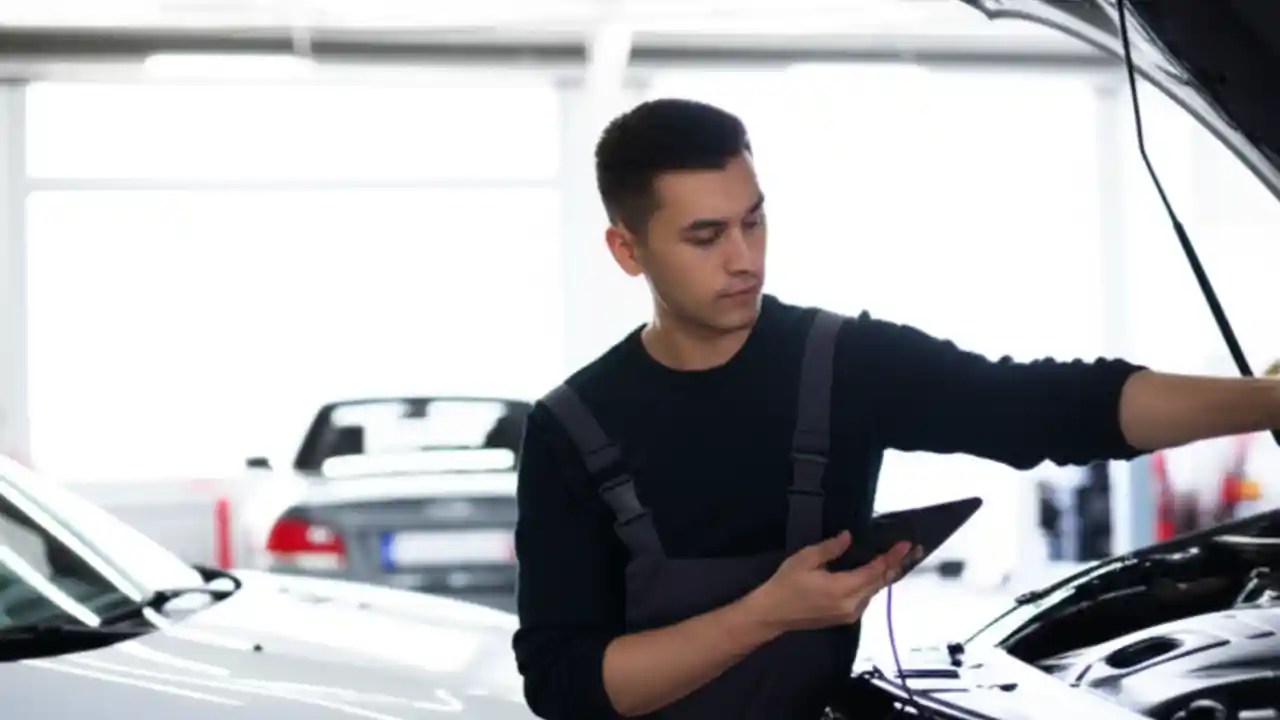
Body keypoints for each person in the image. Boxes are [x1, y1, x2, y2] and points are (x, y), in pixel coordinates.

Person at [511, 98, 1280, 719]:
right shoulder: (571, 428)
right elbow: (565, 686)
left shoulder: (840, 362)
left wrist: (1268, 401)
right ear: (626, 250)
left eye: (754, 220)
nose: (744, 258)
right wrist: (768, 613)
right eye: (705, 236)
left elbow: (1051, 407)